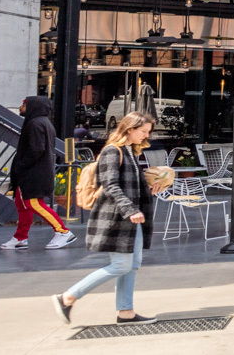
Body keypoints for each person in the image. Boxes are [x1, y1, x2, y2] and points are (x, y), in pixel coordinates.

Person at [55, 111, 160, 325]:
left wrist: (150, 190)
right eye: (143, 131)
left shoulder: (130, 151)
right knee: (122, 265)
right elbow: (110, 185)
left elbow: (128, 187)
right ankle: (68, 297)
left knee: (132, 264)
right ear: (129, 129)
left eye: (148, 132)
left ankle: (126, 312)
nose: (146, 136)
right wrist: (131, 210)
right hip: (118, 218)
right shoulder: (113, 151)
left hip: (132, 218)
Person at [5, 96, 73, 250]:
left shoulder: (35, 124)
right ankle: (20, 237)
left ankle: (63, 232)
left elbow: (36, 150)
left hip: (33, 173)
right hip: (33, 172)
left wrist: (20, 166)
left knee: (33, 203)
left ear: (32, 107)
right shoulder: (41, 123)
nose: (21, 107)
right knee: (22, 204)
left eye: (23, 105)